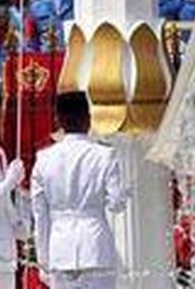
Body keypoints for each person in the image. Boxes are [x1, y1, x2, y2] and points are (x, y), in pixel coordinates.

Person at [31, 91, 128, 288]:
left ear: (58, 120)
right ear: (88, 118)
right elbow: (117, 204)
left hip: (60, 250)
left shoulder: (44, 159)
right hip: (95, 248)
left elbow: (40, 216)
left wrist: (43, 261)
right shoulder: (105, 155)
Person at [0, 92, 25, 289]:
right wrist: (8, 183)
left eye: (0, 118)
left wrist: (17, 222)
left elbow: (3, 201)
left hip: (4, 252)